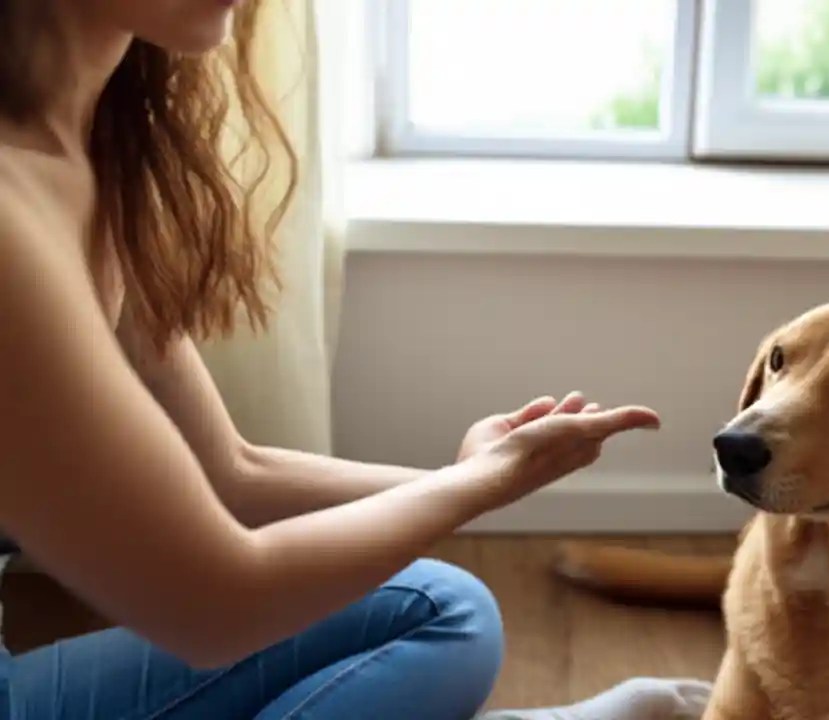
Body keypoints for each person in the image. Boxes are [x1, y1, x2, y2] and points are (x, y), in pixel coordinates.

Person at [0, 2, 706, 718]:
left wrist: (463, 476)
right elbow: (212, 604)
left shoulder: (97, 150)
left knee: (445, 608)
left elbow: (230, 474)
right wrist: (485, 485)